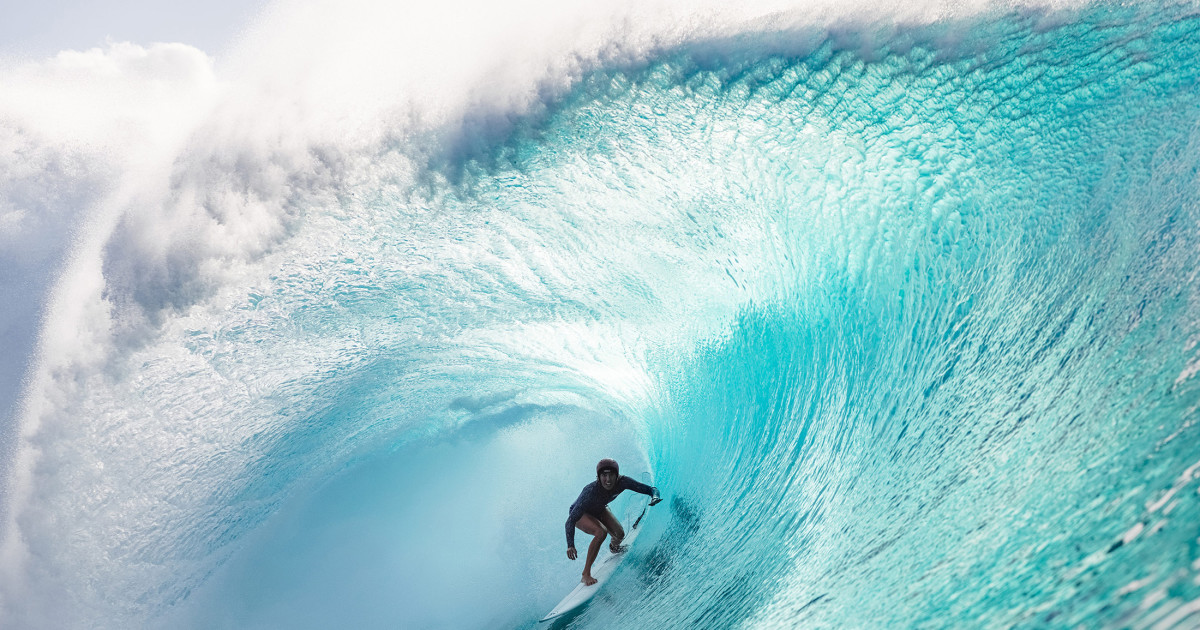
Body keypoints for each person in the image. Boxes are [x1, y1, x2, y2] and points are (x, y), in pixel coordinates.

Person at [565, 458, 661, 586]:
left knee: (619, 534)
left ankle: (614, 548)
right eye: (604, 475)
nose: (608, 480)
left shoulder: (623, 482)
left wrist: (655, 496)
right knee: (601, 532)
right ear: (598, 477)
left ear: (617, 476)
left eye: (611, 475)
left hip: (599, 509)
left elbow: (650, 489)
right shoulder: (590, 491)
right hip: (580, 515)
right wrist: (570, 545)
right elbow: (570, 521)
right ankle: (585, 574)